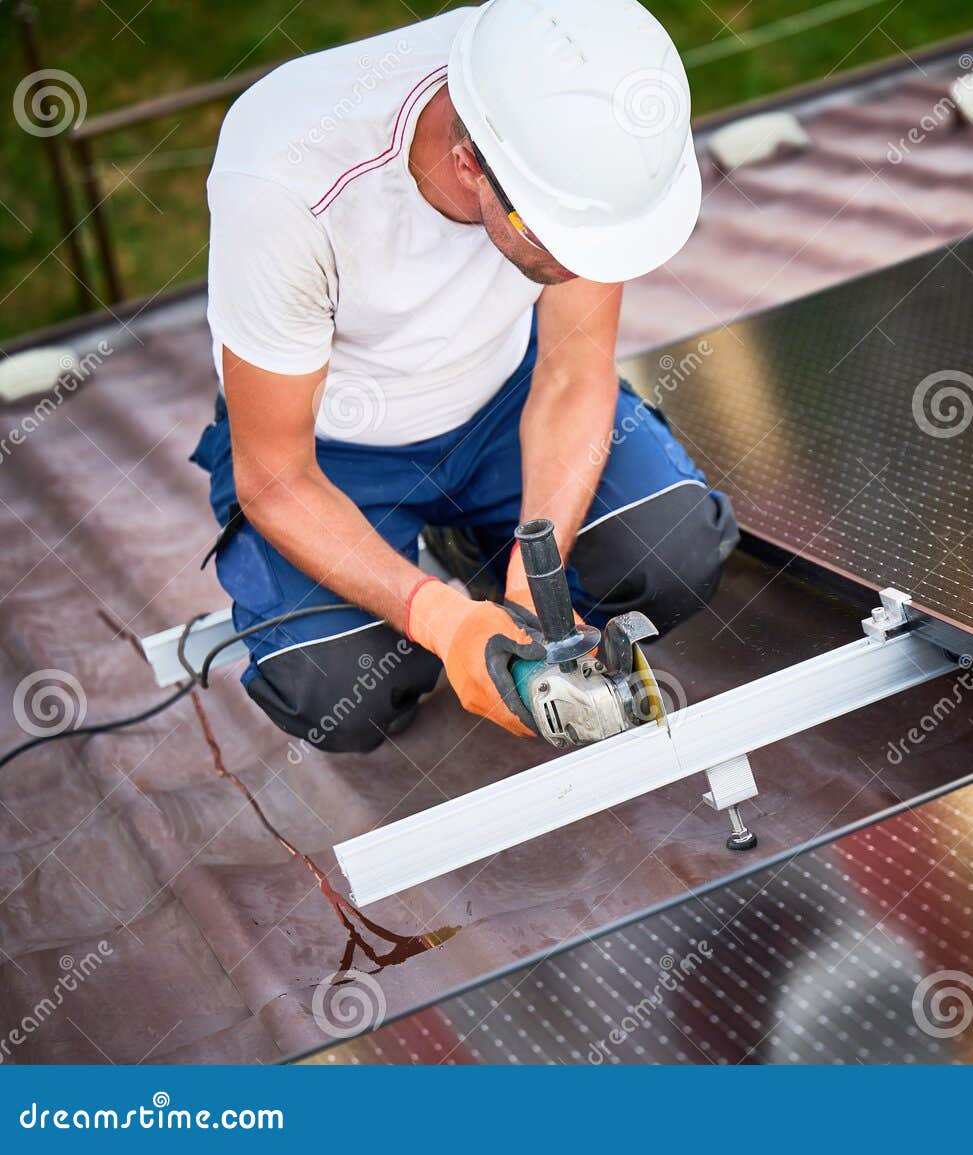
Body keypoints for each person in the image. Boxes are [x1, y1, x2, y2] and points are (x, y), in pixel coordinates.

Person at [191, 0, 737, 752]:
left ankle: (482, 550)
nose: (585, 272)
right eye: (562, 247)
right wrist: (441, 621)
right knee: (341, 696)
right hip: (333, 453)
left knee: (672, 555)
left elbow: (575, 371)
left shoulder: (574, 118)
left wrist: (527, 586)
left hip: (501, 406)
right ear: (469, 163)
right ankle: (435, 575)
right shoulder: (283, 181)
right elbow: (275, 475)